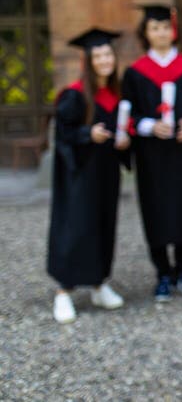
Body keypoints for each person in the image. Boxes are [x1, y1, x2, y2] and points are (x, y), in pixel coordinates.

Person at [122, 5, 182, 302]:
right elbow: (126, 112)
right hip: (151, 154)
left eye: (165, 27)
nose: (161, 33)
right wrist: (147, 126)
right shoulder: (135, 74)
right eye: (154, 28)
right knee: (155, 210)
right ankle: (161, 273)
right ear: (146, 33)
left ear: (174, 31)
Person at [48, 28, 130, 323]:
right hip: (79, 175)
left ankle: (98, 284)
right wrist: (87, 133)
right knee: (76, 228)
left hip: (106, 174)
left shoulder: (116, 95)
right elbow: (63, 135)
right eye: (98, 56)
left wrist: (124, 142)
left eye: (108, 54)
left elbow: (121, 132)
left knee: (103, 225)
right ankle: (64, 292)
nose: (104, 60)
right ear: (89, 61)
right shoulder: (74, 95)